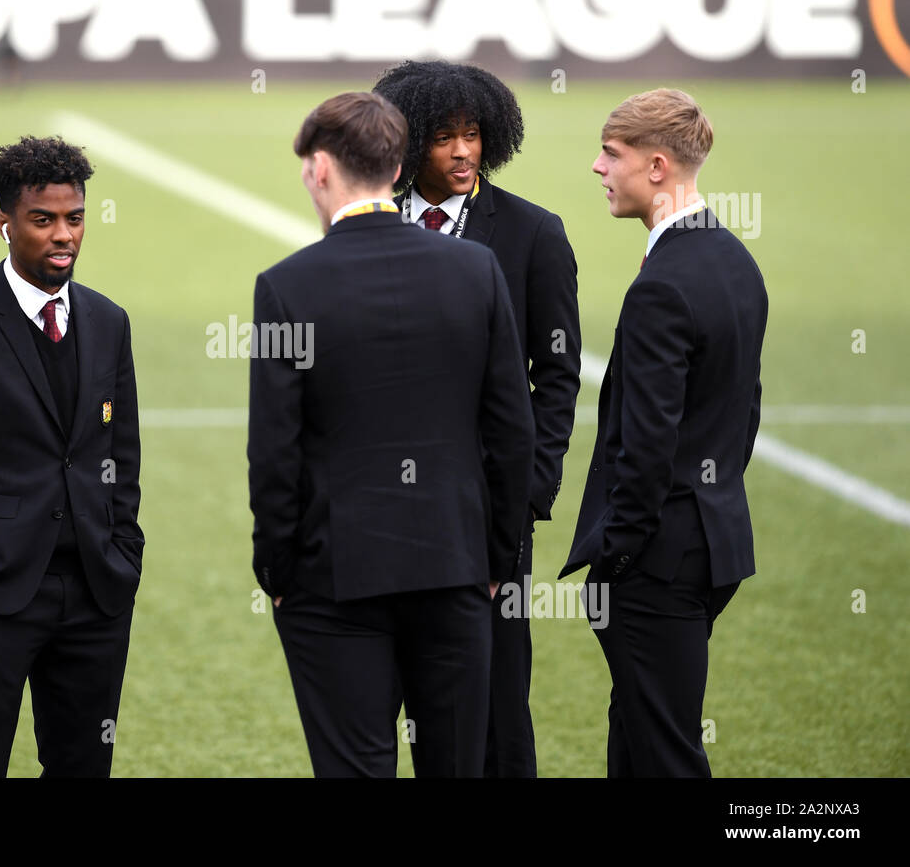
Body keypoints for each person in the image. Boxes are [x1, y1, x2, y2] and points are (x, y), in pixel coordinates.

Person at [248, 92, 535, 777]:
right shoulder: (475, 269)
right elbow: (512, 430)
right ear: (399, 163)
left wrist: (277, 571)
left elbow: (274, 452)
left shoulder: (287, 287)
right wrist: (495, 560)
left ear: (320, 169)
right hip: (454, 566)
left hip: (333, 577)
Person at [374, 60, 582, 777]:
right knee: (380, 704)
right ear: (405, 143)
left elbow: (557, 374)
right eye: (443, 137)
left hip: (488, 515)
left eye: (473, 134)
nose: (463, 151)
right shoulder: (367, 230)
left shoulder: (533, 234)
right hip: (383, 511)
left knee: (491, 708)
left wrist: (529, 488)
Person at [0, 135, 143, 777]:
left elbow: (121, 455)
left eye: (74, 218)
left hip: (97, 589)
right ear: (5, 223)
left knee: (83, 765)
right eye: (43, 220)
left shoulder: (108, 320)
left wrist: (124, 551)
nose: (62, 235)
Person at [560, 89, 767, 777]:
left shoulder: (662, 286)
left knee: (666, 753)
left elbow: (644, 447)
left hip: (658, 562)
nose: (597, 167)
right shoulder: (736, 261)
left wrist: (616, 558)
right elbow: (746, 410)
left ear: (655, 166)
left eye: (609, 154)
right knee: (639, 734)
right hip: (714, 544)